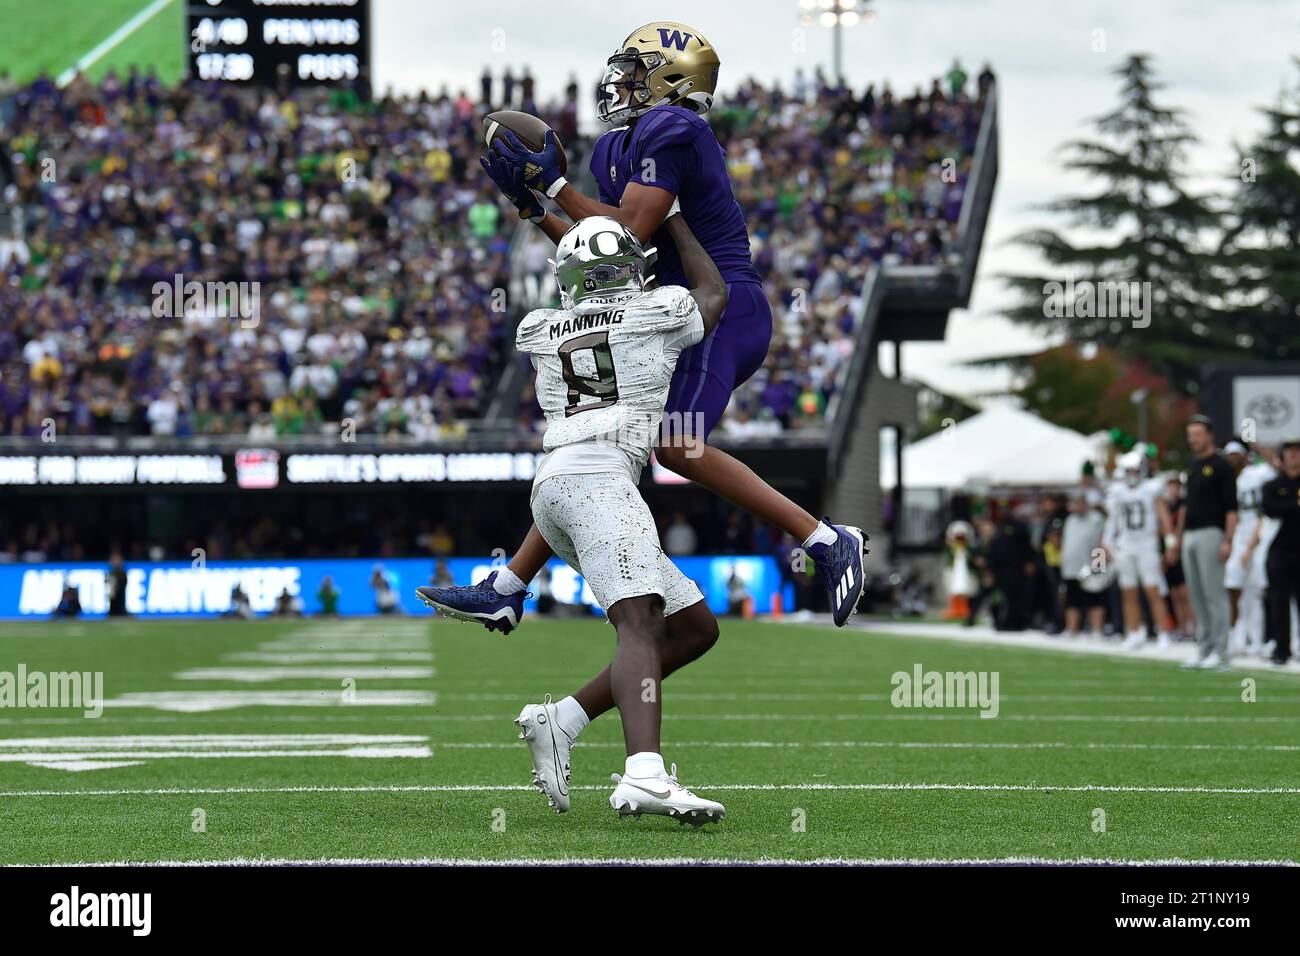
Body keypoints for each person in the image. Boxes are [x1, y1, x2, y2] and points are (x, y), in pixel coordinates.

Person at [458, 20, 869, 631]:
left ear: (671, 80)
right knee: (594, 441)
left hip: (718, 309)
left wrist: (557, 185)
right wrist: (531, 206)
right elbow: (600, 247)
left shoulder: (675, 126)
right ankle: (510, 584)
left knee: (676, 444)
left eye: (634, 71)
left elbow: (630, 228)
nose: (620, 83)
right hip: (663, 311)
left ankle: (825, 539)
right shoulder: (615, 146)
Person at [419, 213, 729, 825]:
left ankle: (561, 715)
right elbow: (715, 293)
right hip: (603, 479)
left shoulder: (541, 326)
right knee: (640, 623)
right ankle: (644, 775)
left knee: (695, 628)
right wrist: (677, 223)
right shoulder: (652, 312)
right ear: (630, 270)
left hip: (555, 484)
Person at [1174, 416, 1237, 670]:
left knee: (1214, 594)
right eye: (1190, 435)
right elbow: (1187, 506)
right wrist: (1177, 539)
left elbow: (1231, 507)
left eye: (1197, 434)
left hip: (1212, 532)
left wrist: (1228, 540)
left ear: (1209, 435)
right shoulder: (1191, 465)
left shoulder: (1222, 465)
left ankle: (1221, 652)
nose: (1193, 439)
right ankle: (1204, 647)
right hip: (1190, 533)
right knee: (1197, 595)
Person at [1103, 455, 1174, 649]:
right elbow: (1112, 520)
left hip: (1147, 545)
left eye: (1134, 471)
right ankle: (1134, 632)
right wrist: (1106, 542)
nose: (1131, 475)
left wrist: (1170, 542)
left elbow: (1164, 517)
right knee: (1128, 592)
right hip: (1125, 545)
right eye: (1128, 471)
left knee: (1153, 591)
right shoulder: (1118, 492)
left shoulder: (1151, 489)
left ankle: (1163, 633)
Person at [1224, 440, 1275, 655]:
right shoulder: (1227, 480)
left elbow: (1276, 465)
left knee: (1260, 589)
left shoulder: (1259, 472)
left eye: (1236, 455)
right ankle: (1238, 637)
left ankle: (1262, 639)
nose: (1232, 459)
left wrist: (1258, 445)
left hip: (1263, 533)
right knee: (1235, 586)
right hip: (1240, 536)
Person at [1261, 439, 1300, 665]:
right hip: (1280, 551)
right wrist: (1294, 505)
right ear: (1282, 457)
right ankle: (1281, 648)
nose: (1294, 456)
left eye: (1297, 452)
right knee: (1279, 600)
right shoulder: (1273, 485)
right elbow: (1270, 509)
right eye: (1290, 452)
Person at [1060, 492, 1106, 637]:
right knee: (1072, 600)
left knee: (1094, 599)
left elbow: (1101, 541)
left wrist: (1099, 566)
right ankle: (1071, 629)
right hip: (1071, 567)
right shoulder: (1070, 519)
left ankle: (1097, 630)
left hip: (1090, 565)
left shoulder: (1096, 518)